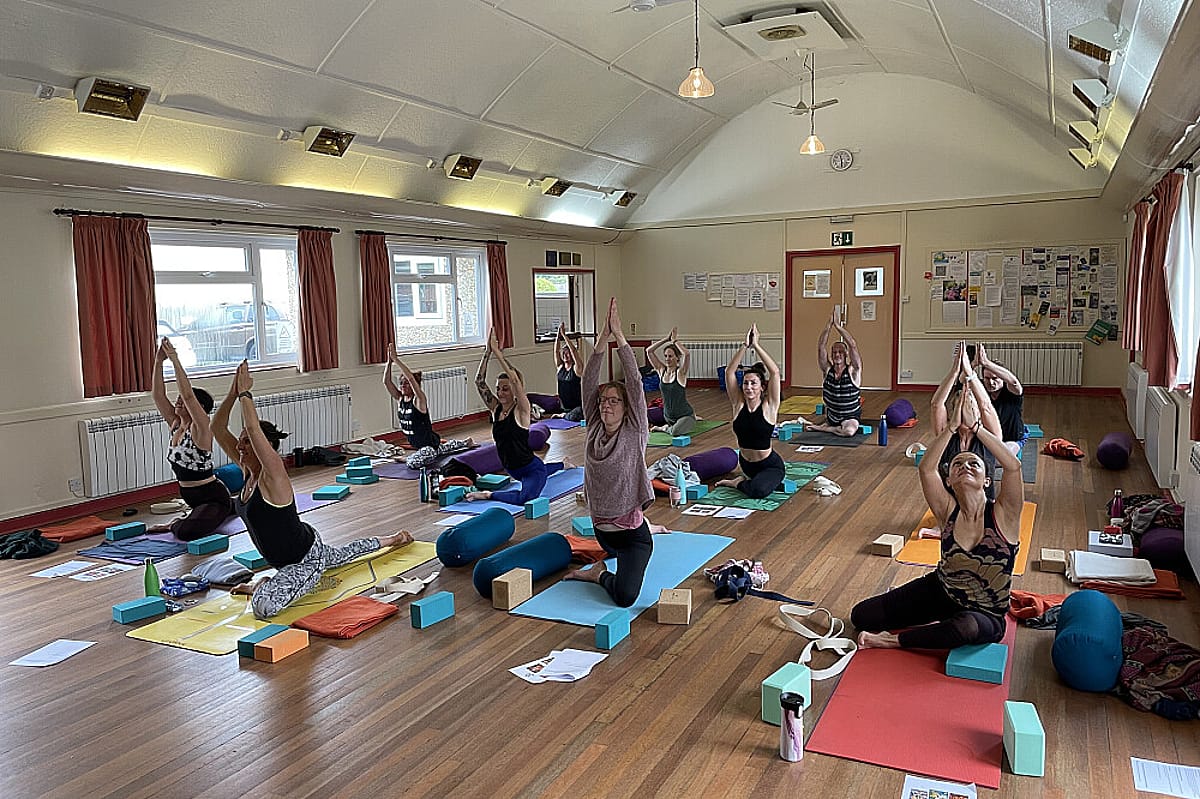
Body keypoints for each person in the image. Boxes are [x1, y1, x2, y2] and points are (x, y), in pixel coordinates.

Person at [213, 361, 413, 619]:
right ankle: (394, 538)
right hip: (297, 551)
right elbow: (217, 428)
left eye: (247, 442)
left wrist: (245, 393)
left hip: (305, 558)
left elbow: (252, 428)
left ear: (264, 446)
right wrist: (232, 392)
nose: (240, 447)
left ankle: (263, 584)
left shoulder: (273, 475)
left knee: (264, 607)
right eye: (240, 442)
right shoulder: (246, 471)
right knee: (344, 554)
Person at [851, 397, 1024, 650]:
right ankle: (934, 624)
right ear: (949, 480)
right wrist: (951, 428)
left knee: (965, 626)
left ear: (987, 480)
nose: (965, 466)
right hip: (941, 592)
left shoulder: (1005, 514)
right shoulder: (947, 511)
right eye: (957, 464)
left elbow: (1013, 466)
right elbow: (926, 469)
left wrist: (977, 428)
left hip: (986, 614)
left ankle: (891, 641)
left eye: (974, 463)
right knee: (861, 616)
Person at [564, 298, 655, 607]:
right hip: (603, 534)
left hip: (632, 539)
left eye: (614, 401)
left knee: (625, 597)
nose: (606, 405)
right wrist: (602, 338)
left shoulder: (634, 431)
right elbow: (588, 380)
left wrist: (620, 337)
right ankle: (603, 565)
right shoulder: (594, 428)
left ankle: (598, 575)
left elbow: (635, 383)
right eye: (603, 400)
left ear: (626, 407)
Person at [467, 329, 571, 505]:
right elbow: (479, 382)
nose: (500, 393)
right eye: (498, 388)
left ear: (514, 390)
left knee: (526, 498)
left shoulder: (521, 410)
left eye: (505, 389)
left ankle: (487, 495)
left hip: (531, 469)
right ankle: (563, 464)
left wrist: (498, 353)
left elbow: (515, 380)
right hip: (512, 470)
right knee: (541, 474)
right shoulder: (496, 409)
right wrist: (488, 352)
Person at [148, 337, 233, 539]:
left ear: (199, 408)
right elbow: (158, 395)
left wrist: (175, 359)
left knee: (186, 532)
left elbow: (187, 395)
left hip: (212, 497)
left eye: (182, 401)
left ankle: (229, 506)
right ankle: (234, 505)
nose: (178, 401)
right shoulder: (176, 424)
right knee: (195, 524)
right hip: (192, 499)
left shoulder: (201, 428)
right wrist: (158, 362)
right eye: (177, 400)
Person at [715, 323, 786, 498]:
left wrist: (756, 346)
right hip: (747, 465)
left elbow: (775, 373)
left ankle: (737, 483)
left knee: (758, 491)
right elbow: (729, 372)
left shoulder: (769, 406)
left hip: (769, 465)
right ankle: (750, 481)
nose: (748, 387)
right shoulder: (738, 404)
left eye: (753, 383)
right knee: (758, 486)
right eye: (745, 383)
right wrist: (744, 345)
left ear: (762, 387)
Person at [382, 343, 473, 469]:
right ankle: (464, 443)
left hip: (428, 446)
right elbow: (386, 382)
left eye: (406, 383)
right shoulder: (400, 399)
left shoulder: (419, 400)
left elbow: (411, 379)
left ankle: (409, 458)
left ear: (414, 386)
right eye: (401, 383)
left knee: (414, 462)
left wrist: (396, 360)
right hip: (421, 446)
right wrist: (389, 362)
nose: (403, 385)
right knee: (439, 450)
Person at [932, 341, 1003, 497]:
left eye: (971, 406)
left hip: (982, 505)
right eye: (960, 404)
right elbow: (937, 405)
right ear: (953, 411)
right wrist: (954, 371)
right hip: (952, 504)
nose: (966, 409)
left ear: (979, 414)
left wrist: (970, 373)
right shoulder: (946, 435)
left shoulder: (989, 438)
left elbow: (986, 406)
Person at [805, 308, 862, 437]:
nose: (837, 355)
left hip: (850, 417)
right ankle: (829, 427)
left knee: (849, 432)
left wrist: (838, 327)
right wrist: (828, 326)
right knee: (842, 429)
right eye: (834, 352)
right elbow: (821, 346)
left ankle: (824, 429)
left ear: (846, 354)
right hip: (832, 417)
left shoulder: (853, 370)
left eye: (840, 352)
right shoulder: (827, 370)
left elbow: (852, 345)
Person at [976, 343, 1026, 457]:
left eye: (995, 378)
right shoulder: (981, 390)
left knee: (1001, 457)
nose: (991, 382)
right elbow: (963, 381)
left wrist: (986, 363)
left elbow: (1014, 382)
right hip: (990, 437)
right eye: (987, 378)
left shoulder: (1011, 392)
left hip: (1012, 438)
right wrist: (973, 364)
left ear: (1002, 379)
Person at [647, 327, 696, 437]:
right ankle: (669, 425)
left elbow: (687, 354)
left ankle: (663, 428)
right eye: (665, 356)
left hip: (684, 415)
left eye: (670, 356)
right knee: (646, 414)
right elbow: (649, 351)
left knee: (675, 432)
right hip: (668, 416)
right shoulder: (661, 371)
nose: (667, 359)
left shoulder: (681, 373)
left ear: (677, 358)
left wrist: (674, 341)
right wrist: (666, 339)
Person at [552, 323, 585, 421]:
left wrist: (564, 336)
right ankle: (564, 415)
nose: (565, 355)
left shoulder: (577, 368)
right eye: (564, 353)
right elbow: (556, 351)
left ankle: (564, 416)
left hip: (577, 408)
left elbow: (574, 350)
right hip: (564, 406)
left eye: (567, 353)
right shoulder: (560, 367)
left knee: (577, 414)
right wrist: (558, 336)